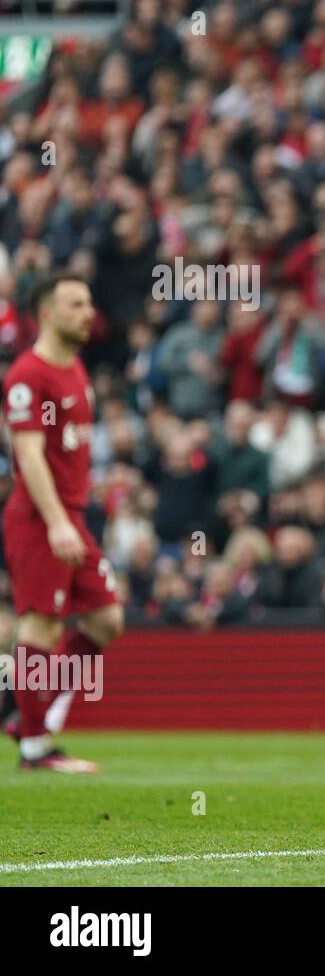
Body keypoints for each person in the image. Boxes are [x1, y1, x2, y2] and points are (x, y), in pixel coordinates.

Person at [0, 272, 125, 772]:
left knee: (105, 619)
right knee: (41, 626)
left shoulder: (73, 366)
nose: (88, 311)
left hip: (70, 516)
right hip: (39, 519)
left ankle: (21, 708)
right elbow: (27, 455)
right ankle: (35, 747)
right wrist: (55, 524)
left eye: (90, 302)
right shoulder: (29, 375)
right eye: (76, 304)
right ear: (47, 313)